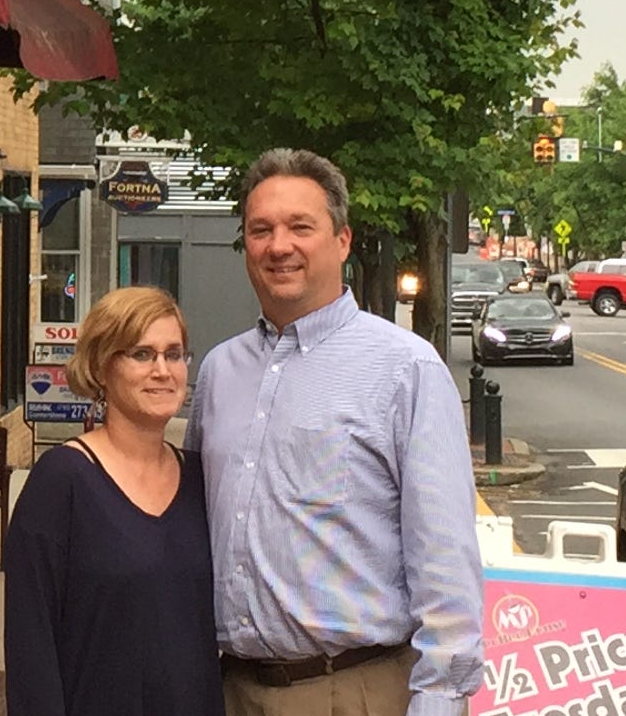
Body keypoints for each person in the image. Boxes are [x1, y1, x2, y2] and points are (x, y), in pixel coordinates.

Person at [194, 150, 482, 716]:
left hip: (352, 691)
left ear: (343, 240)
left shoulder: (406, 370)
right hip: (227, 690)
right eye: (261, 230)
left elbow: (444, 560)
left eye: (301, 226)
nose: (280, 246)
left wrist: (441, 700)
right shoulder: (219, 372)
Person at [6, 285, 225, 716]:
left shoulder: (202, 479)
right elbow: (30, 644)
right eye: (142, 354)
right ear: (102, 368)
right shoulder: (62, 482)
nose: (163, 370)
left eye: (174, 354)